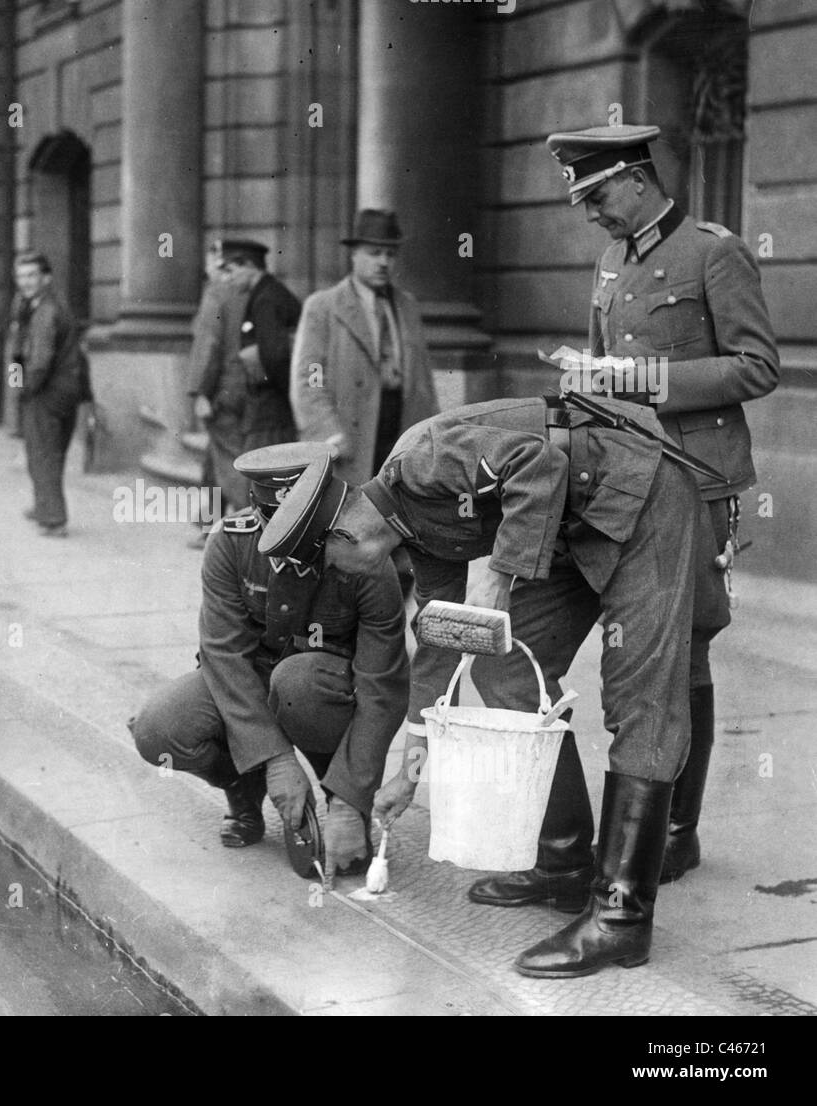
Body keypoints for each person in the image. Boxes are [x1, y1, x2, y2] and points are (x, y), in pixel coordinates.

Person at [259, 394, 705, 977]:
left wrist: (497, 575)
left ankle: (620, 919)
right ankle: (565, 861)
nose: (346, 583)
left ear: (345, 539)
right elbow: (443, 636)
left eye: (338, 570)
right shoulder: (407, 527)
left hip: (639, 495)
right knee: (503, 667)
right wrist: (410, 767)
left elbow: (538, 466)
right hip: (570, 524)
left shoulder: (422, 461)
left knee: (640, 698)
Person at [524, 124, 779, 892]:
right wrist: (590, 377)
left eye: (598, 196)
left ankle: (677, 830)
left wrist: (642, 380)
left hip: (697, 481)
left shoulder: (712, 252)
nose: (592, 214)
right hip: (624, 481)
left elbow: (758, 366)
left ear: (636, 180)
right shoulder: (611, 259)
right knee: (635, 647)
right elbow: (606, 359)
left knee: (686, 647)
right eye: (583, 201)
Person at [130, 442, 409, 878]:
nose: (281, 544)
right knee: (159, 729)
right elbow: (224, 654)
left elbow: (382, 684)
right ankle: (245, 782)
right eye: (272, 528)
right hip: (253, 679)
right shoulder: (230, 541)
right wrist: (275, 759)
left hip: (322, 689)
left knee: (297, 683)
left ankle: (336, 798)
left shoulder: (368, 560)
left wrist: (352, 800)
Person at [290, 209, 439, 486]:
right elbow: (309, 379)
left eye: (390, 255)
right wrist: (328, 433)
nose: (383, 262)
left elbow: (423, 379)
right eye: (374, 253)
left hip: (400, 428)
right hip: (349, 433)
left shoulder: (407, 306)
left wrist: (431, 435)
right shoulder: (323, 306)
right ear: (354, 254)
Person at [6, 252, 87, 537]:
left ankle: (54, 518)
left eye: (31, 276)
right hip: (65, 389)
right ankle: (44, 505)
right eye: (20, 276)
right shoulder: (45, 306)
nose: (24, 282)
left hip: (47, 390)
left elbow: (39, 359)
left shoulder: (44, 312)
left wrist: (24, 389)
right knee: (51, 452)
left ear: (46, 278)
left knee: (42, 453)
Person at [216, 239, 301, 452]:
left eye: (231, 270)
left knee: (264, 470)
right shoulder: (267, 293)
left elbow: (274, 356)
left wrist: (292, 396)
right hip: (272, 406)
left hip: (273, 409)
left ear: (250, 266)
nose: (228, 279)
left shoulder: (266, 299)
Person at [187, 239, 248, 522]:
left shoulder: (217, 294)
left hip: (222, 391)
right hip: (245, 388)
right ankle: (209, 520)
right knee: (216, 454)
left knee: (229, 460)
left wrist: (199, 391)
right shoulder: (245, 291)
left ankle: (248, 527)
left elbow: (207, 347)